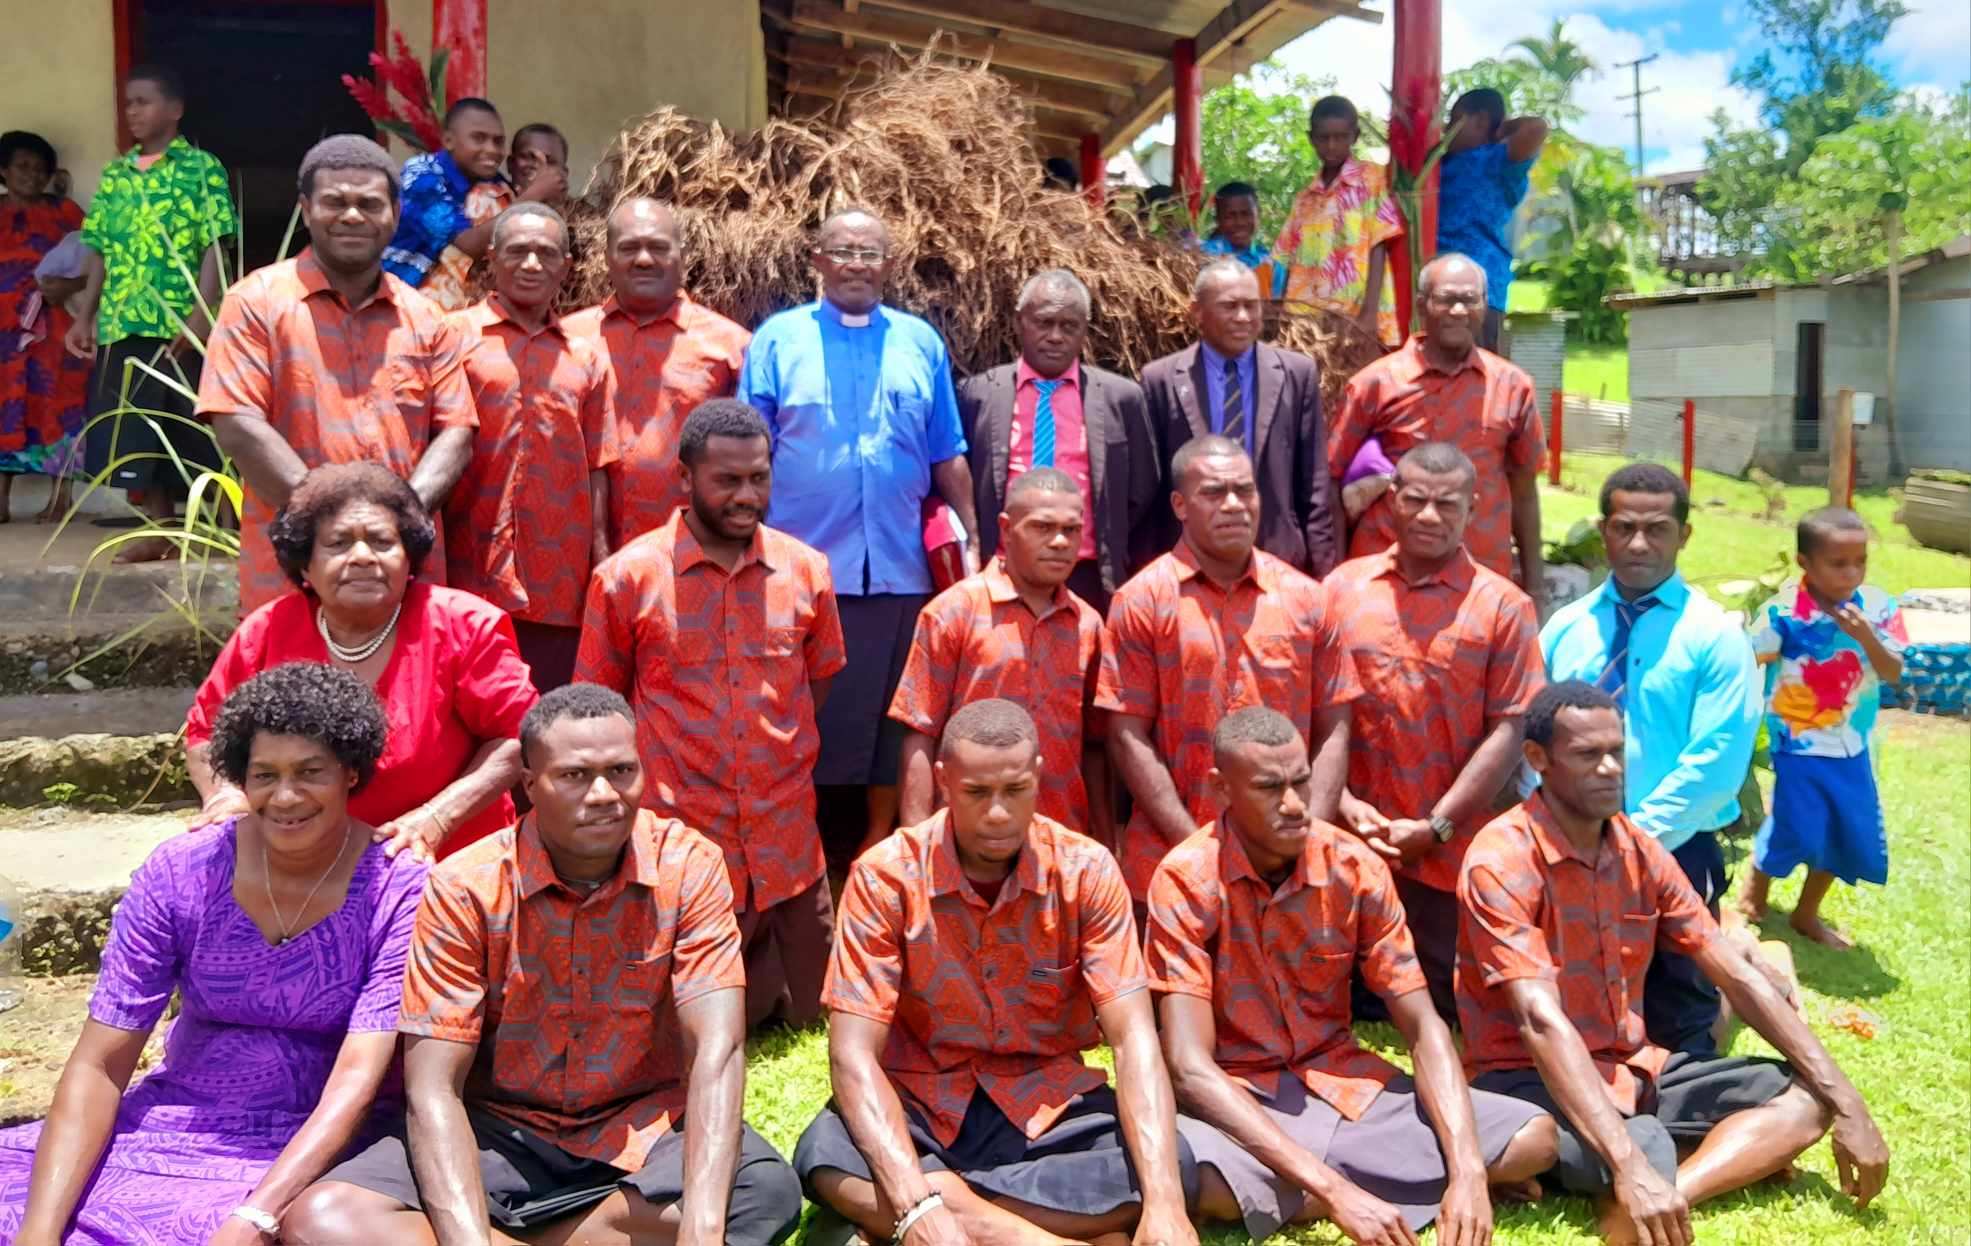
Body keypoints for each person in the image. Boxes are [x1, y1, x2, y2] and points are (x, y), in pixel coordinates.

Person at [281, 684, 804, 1246]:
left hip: (643, 1130)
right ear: (529, 785)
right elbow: (433, 1087)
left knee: (761, 1196)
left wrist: (701, 1233)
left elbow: (717, 1052)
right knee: (327, 1218)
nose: (603, 794)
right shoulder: (466, 887)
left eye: (621, 771)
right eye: (574, 775)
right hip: (498, 1134)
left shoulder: (689, 866)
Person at [0, 662, 427, 1246]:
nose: (286, 796)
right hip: (177, 1118)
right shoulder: (181, 873)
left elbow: (358, 1078)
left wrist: (256, 1216)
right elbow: (101, 1063)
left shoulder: (397, 890)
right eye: (265, 775)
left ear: (351, 771)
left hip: (316, 1143)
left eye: (311, 772)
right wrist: (38, 1233)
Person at [1458, 681, 1890, 1246]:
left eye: (1617, 751)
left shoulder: (1639, 850)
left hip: (1637, 1070)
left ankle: (1666, 1193)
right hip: (1532, 1076)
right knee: (1552, 1144)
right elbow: (1540, 1022)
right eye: (1588, 755)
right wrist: (1628, 1160)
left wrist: (1849, 1102)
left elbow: (1733, 972)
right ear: (1538, 759)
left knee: (1807, 1100)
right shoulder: (1502, 860)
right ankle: (1640, 1166)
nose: (1610, 768)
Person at [793, 699, 1199, 1246]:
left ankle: (938, 1214)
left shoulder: (1086, 870)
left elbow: (1133, 1038)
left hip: (1046, 1110)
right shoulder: (885, 877)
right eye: (977, 793)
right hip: (920, 1105)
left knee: (1170, 1166)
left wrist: (1167, 1207)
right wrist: (917, 1203)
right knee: (824, 1154)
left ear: (1038, 776)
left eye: (1015, 790)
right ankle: (1029, 1233)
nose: (999, 813)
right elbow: (852, 1054)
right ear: (943, 781)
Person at [1150, 707, 1556, 1245]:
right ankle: (1353, 1186)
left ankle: (1306, 1194)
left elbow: (1424, 1027)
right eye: (1269, 788)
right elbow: (1189, 1068)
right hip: (1245, 1104)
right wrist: (1337, 1194)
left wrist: (1468, 1175)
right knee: (1189, 1171)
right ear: (1221, 788)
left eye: (1301, 781)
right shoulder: (1185, 880)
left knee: (1534, 1137)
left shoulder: (1354, 866)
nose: (1294, 804)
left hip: (1347, 1092)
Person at [576, 399, 846, 1030]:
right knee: (680, 1025)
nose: (746, 495)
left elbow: (819, 680)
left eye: (759, 477)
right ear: (684, 478)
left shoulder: (807, 571)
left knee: (817, 1014)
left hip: (785, 843)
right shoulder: (627, 579)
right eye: (727, 480)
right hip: (682, 843)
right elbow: (597, 708)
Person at [739, 207, 980, 853]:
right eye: (842, 252)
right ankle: (800, 839)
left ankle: (878, 837)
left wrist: (974, 540)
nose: (855, 266)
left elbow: (947, 450)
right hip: (801, 569)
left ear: (888, 265)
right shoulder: (777, 340)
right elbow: (748, 451)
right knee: (799, 712)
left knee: (891, 715)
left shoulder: (919, 343)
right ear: (817, 261)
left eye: (869, 254)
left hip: (899, 567)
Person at [184, 464, 535, 862]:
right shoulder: (267, 631)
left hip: (445, 863)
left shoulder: (464, 626)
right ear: (305, 565)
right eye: (338, 543)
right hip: (297, 863)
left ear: (409, 558)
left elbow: (520, 736)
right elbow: (206, 731)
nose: (363, 557)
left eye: (382, 542)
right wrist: (225, 795)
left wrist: (436, 818)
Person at [198, 134, 479, 616]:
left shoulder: (427, 318)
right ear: (306, 210)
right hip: (291, 579)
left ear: (395, 212)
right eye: (335, 202)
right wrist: (331, 527)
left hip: (402, 579)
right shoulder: (255, 303)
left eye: (369, 204)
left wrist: (393, 528)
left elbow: (456, 432)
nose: (352, 215)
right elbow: (236, 422)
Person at [1539, 462, 1761, 1057]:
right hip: (1567, 848)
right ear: (1603, 532)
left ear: (1684, 535)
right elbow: (1532, 737)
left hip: (1675, 848)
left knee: (1679, 1013)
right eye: (1624, 527)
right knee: (1572, 1002)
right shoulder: (1565, 629)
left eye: (1657, 529)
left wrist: (1634, 841)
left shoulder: (1714, 636)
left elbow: (1717, 761)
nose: (1639, 544)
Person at [1325, 443, 1544, 1018]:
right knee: (1334, 991)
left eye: (1446, 504)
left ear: (1473, 508)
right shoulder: (1341, 590)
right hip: (1350, 837)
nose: (1429, 515)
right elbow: (1314, 710)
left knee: (1453, 998)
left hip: (1451, 850)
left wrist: (1438, 826)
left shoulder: (1504, 607)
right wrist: (1342, 804)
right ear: (1392, 500)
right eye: (1416, 500)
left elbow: (1509, 729)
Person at [1097, 435, 1359, 906]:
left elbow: (1334, 727)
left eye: (1245, 490)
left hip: (1291, 873)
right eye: (1215, 493)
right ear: (1180, 505)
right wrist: (1197, 854)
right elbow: (1126, 736)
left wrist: (1307, 842)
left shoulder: (1307, 599)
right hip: (1174, 865)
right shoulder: (1141, 602)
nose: (1234, 505)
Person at [446, 201, 617, 694]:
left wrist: (600, 561)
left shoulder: (586, 357)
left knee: (548, 712)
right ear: (493, 258)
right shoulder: (452, 337)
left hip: (558, 583)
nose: (531, 264)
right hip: (466, 571)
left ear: (566, 266)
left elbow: (597, 464)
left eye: (546, 253)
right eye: (518, 251)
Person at [69, 64, 237, 562]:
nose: (132, 111)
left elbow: (215, 245)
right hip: (122, 322)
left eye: (143, 101)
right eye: (128, 103)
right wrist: (85, 316)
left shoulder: (201, 168)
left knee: (197, 427)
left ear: (175, 109)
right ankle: (160, 528)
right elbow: (99, 250)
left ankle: (223, 528)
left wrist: (202, 314)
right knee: (135, 431)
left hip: (180, 323)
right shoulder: (116, 175)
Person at [889, 467, 1109, 841]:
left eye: (1071, 530)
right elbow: (920, 734)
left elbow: (1095, 746)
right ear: (1006, 529)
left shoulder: (1088, 625)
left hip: (1060, 839)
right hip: (964, 836)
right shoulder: (953, 612)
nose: (1059, 541)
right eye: (1042, 527)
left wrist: (1104, 842)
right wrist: (916, 845)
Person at [1734, 507, 1906, 950]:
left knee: (1845, 829)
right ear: (1805, 563)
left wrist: (1866, 636)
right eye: (1838, 563)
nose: (1851, 574)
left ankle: (1806, 913)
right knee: (1799, 826)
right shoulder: (1784, 612)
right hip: (1798, 743)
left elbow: (1892, 671)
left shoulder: (1878, 609)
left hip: (1852, 745)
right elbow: (1747, 657)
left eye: (1860, 562)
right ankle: (1756, 890)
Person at [1331, 253, 1545, 596]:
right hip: (1386, 579)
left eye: (1469, 300)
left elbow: (1524, 490)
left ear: (1484, 306)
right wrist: (1335, 574)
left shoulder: (1512, 387)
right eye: (1446, 299)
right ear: (1422, 305)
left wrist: (1534, 588)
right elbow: (1330, 477)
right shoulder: (1376, 383)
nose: (1458, 311)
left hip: (1479, 579)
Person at [957, 267, 1161, 614]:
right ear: (1020, 322)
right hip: (1000, 575)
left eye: (1069, 326)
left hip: (1087, 574)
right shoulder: (978, 394)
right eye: (1044, 323)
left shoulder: (1122, 398)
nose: (1055, 336)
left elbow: (1142, 488)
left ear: (1084, 330)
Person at [566, 197, 751, 546]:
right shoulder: (566, 341)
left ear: (683, 256)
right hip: (580, 550)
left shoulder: (731, 348)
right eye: (629, 248)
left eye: (658, 247)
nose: (644, 259)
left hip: (693, 552)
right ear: (606, 258)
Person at [1142, 258, 1340, 578]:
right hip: (1191, 565)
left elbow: (1314, 483)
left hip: (1278, 558)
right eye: (1229, 306)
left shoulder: (1296, 374)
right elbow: (1151, 488)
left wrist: (1322, 571)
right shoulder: (1161, 380)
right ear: (1197, 312)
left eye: (1251, 305)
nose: (1243, 317)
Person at [383, 99, 566, 311]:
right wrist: (536, 193)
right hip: (397, 300)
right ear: (448, 140)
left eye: (498, 141)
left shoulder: (493, 183)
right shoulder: (421, 176)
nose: (491, 149)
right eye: (479, 139)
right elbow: (467, 245)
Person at [0, 129, 89, 521]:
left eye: (40, 169)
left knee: (60, 406)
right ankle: (0, 500)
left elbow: (98, 260)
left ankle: (60, 499)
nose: (32, 175)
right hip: (5, 334)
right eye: (22, 166)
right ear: (4, 171)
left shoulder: (66, 213)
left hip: (56, 329)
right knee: (5, 407)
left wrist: (70, 286)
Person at [1274, 95, 1404, 347]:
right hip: (1307, 317)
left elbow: (1378, 245)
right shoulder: (1304, 198)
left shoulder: (1372, 180)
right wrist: (1284, 312)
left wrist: (1369, 313)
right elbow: (1289, 257)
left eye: (1340, 137)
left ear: (1354, 136)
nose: (1331, 145)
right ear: (1312, 138)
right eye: (1323, 138)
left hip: (1354, 313)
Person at [1436, 89, 1548, 351]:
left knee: (1475, 368)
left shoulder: (1499, 161)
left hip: (1478, 288)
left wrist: (1501, 129)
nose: (1447, 129)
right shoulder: (1442, 163)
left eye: (1455, 120)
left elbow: (1537, 129)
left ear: (1480, 121)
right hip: (1436, 287)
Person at [1200, 181, 1273, 278]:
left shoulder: (1267, 260)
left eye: (1246, 214)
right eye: (1229, 216)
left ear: (1258, 214)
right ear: (1218, 219)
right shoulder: (1204, 255)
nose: (1240, 222)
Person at [506, 123, 570, 206]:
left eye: (550, 161)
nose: (538, 165)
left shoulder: (574, 211)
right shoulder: (491, 201)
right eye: (529, 157)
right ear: (510, 164)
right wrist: (533, 195)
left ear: (564, 174)